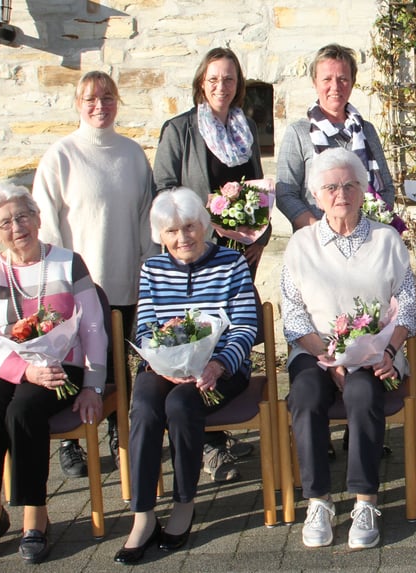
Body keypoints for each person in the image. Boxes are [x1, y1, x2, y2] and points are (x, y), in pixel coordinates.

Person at [0, 184, 106, 564]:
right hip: (0, 364)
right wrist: (24, 370)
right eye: (5, 223)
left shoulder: (68, 262)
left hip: (61, 364)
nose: (17, 227)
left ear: (38, 219)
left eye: (23, 216)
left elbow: (93, 328)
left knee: (23, 410)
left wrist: (93, 386)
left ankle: (35, 516)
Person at [282, 148, 416, 550]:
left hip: (376, 354)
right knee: (305, 395)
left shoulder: (386, 239)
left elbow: (408, 305)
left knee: (361, 393)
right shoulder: (301, 244)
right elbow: (293, 316)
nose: (341, 193)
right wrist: (329, 360)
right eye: (331, 187)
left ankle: (365, 501)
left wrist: (389, 352)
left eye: (350, 185)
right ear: (316, 196)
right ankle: (319, 501)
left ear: (363, 190)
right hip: (315, 352)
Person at [114, 188, 257, 564]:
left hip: (222, 368)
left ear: (204, 225)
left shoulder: (231, 263)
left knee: (180, 405)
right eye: (172, 231)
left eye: (190, 227)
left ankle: (183, 504)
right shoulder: (153, 268)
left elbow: (245, 326)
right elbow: (145, 328)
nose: (183, 238)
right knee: (145, 407)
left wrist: (217, 364)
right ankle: (143, 516)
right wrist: (165, 362)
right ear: (160, 235)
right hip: (164, 366)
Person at [32, 70, 154, 480]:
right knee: (75, 363)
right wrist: (60, 281)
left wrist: (147, 266)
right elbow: (47, 226)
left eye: (107, 97)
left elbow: (145, 217)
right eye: (90, 99)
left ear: (117, 102)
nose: (100, 105)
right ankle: (72, 442)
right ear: (77, 104)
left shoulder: (132, 155)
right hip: (75, 286)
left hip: (122, 279)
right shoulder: (61, 156)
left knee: (117, 363)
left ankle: (121, 433)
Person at [153, 47, 264, 479]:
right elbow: (164, 190)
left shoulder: (244, 128)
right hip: (196, 255)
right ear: (202, 82)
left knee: (230, 335)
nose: (222, 86)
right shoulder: (180, 129)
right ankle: (209, 445)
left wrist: (260, 238)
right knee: (198, 338)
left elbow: (258, 191)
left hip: (238, 254)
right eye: (214, 78)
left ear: (239, 85)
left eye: (230, 79)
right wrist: (201, 226)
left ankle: (218, 428)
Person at [276, 44, 397, 232]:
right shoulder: (298, 133)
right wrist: (318, 231)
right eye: (327, 79)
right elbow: (286, 194)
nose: (335, 86)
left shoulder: (366, 130)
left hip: (366, 236)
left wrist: (373, 224)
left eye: (343, 79)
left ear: (352, 82)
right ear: (315, 82)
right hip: (316, 239)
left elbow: (386, 188)